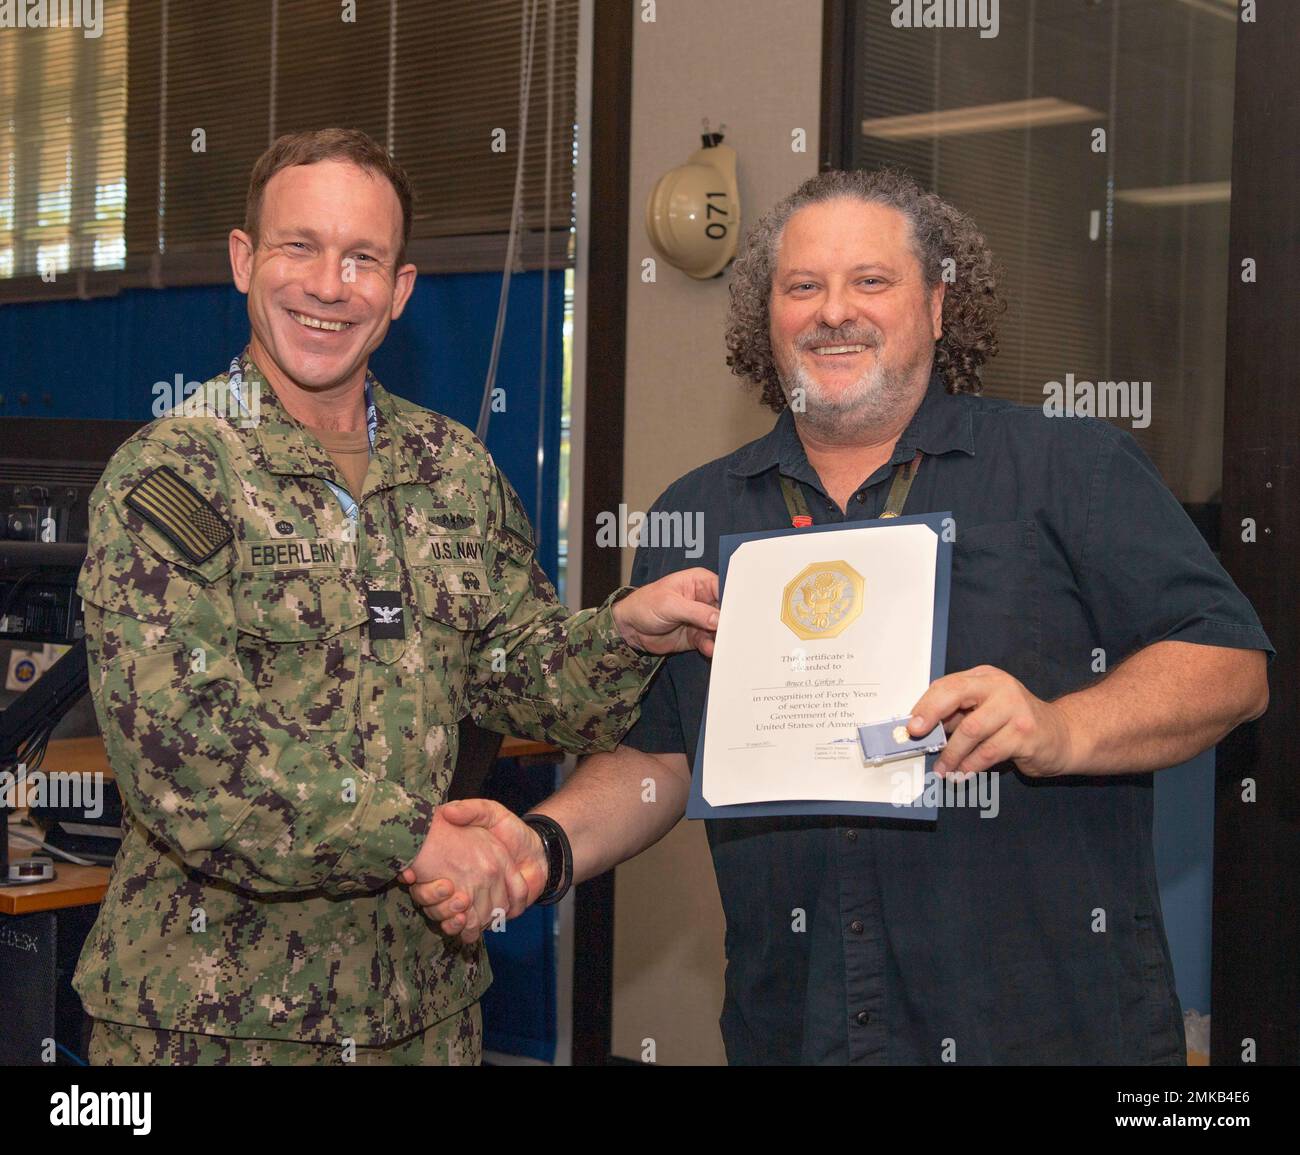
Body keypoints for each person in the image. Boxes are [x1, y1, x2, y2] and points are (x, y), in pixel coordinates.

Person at [412, 168, 1273, 1065]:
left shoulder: (1069, 467)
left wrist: (1062, 725)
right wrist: (542, 849)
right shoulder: (699, 514)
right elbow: (660, 756)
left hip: (1047, 1026)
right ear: (767, 316)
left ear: (939, 303)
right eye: (802, 287)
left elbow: (1231, 664)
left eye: (871, 280)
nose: (833, 312)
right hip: (798, 1027)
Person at [75, 127, 718, 1066]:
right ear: (245, 260)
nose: (328, 285)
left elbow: (515, 670)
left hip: (423, 1015)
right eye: (299, 246)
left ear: (400, 290)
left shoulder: (453, 468)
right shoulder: (174, 477)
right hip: (216, 1023)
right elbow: (190, 765)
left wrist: (621, 631)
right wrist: (417, 838)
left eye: (361, 258)